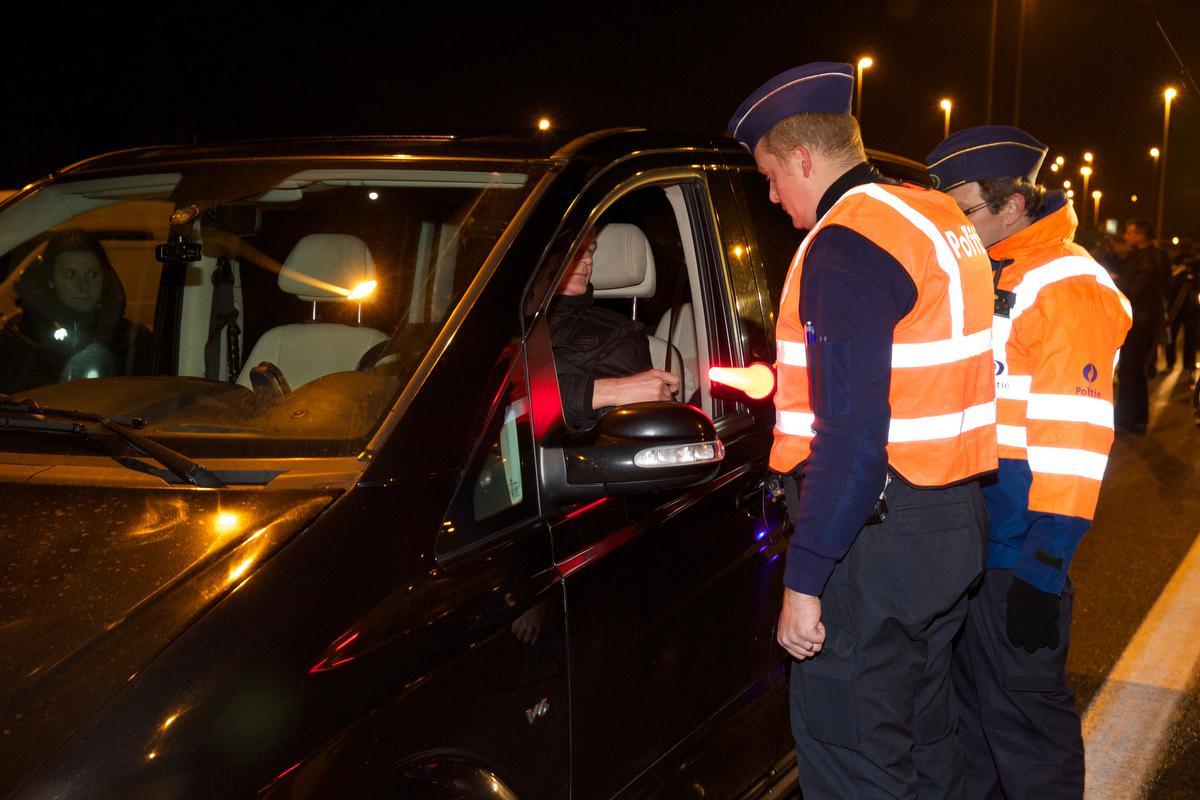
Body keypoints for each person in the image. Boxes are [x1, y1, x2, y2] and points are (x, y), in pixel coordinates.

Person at [728, 62, 997, 799]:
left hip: (876, 541)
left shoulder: (847, 245)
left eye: (772, 176)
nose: (774, 195)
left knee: (854, 763)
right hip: (951, 523)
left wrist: (806, 577)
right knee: (927, 744)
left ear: (804, 160)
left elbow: (848, 434)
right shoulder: (934, 215)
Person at [925, 125, 1132, 799]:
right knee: (974, 737)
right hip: (969, 549)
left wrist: (1043, 572)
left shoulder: (1068, 287)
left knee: (1028, 743)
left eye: (966, 212)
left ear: (1012, 205)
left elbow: (1076, 442)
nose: (954, 226)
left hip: (1017, 555)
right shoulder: (983, 269)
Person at [548, 228, 679, 429]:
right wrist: (606, 391)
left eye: (590, 250)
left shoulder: (619, 332)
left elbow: (624, 421)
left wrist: (604, 394)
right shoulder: (503, 325)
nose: (588, 260)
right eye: (576, 249)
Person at [0, 230, 153, 394]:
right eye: (70, 275)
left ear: (105, 277)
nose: (84, 286)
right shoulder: (19, 337)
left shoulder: (133, 339)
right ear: (50, 279)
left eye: (92, 274)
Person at [1112, 218, 1166, 432]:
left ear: (1140, 235)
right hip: (1144, 322)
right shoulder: (1147, 257)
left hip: (1141, 324)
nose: (1125, 237)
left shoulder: (1147, 261)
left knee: (1129, 371)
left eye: (1129, 233)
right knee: (1135, 371)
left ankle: (1125, 420)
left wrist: (1116, 281)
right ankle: (1136, 419)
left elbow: (1135, 291)